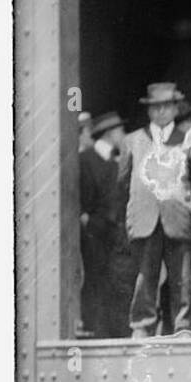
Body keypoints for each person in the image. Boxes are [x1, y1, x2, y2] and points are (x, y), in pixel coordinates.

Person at [121, 82, 191, 338]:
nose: (161, 112)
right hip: (145, 218)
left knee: (182, 278)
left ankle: (183, 326)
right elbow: (122, 181)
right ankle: (142, 325)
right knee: (146, 276)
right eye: (156, 107)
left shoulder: (188, 140)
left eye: (167, 106)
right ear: (148, 110)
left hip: (178, 218)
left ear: (176, 108)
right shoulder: (132, 141)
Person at [79, 111, 128, 337]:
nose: (123, 135)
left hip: (113, 232)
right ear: (110, 133)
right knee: (95, 278)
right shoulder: (85, 159)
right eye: (120, 131)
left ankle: (110, 330)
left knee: (112, 280)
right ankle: (95, 328)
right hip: (95, 231)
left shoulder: (115, 161)